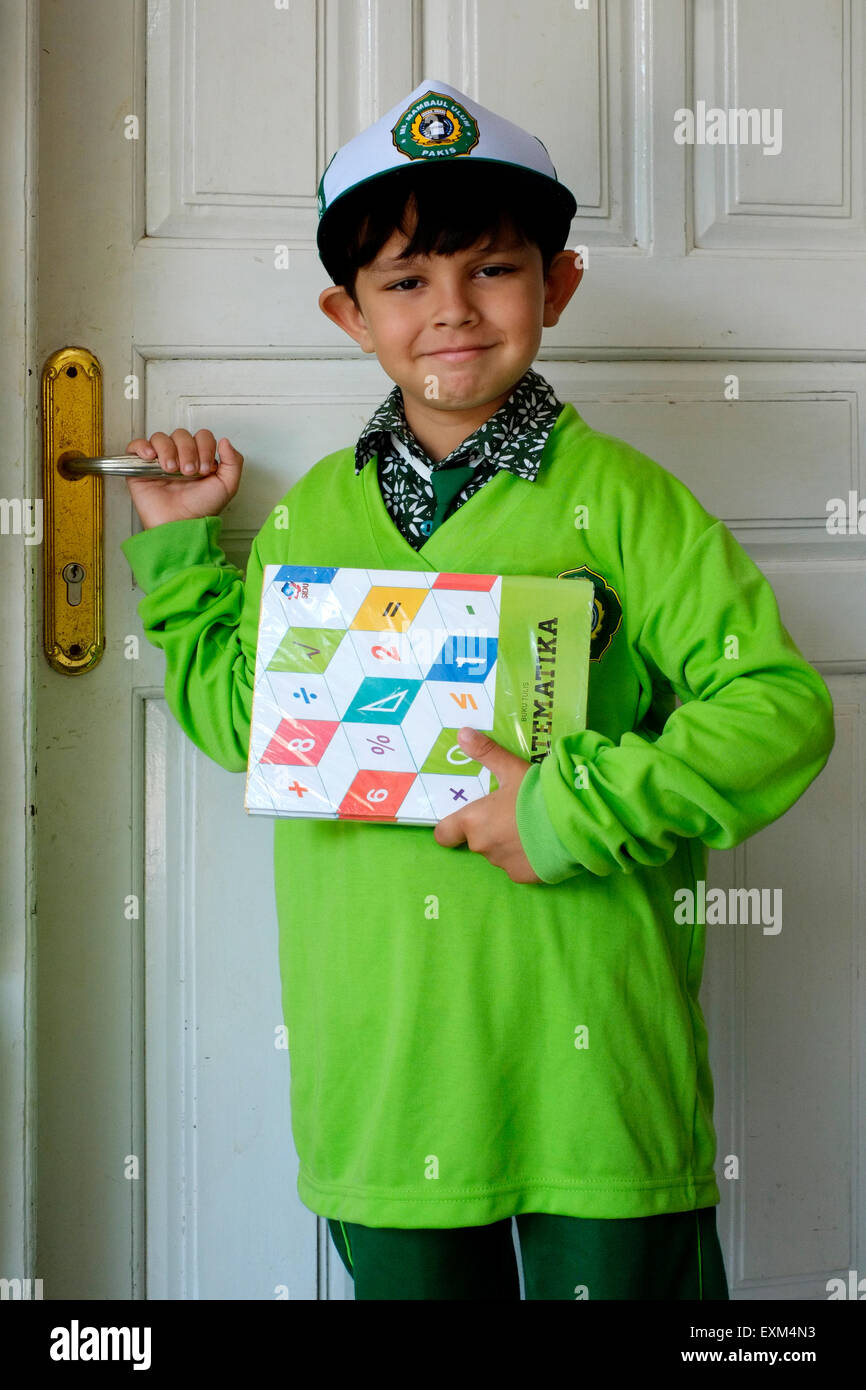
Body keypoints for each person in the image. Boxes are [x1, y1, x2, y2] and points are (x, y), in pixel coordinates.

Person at [120, 79, 835, 1300]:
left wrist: (563, 810)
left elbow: (774, 712)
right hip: (387, 1082)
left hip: (595, 1073)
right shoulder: (312, 516)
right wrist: (184, 549)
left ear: (554, 285)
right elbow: (253, 726)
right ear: (350, 314)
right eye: (404, 282)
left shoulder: (625, 500)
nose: (449, 310)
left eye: (491, 271)